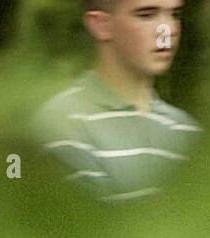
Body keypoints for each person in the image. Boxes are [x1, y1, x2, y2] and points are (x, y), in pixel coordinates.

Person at [32, 0, 199, 203]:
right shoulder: (61, 126)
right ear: (100, 25)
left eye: (174, 15)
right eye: (146, 15)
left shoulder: (186, 130)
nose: (168, 30)